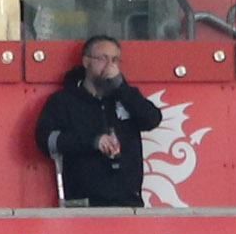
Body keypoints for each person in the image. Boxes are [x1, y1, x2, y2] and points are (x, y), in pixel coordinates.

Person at [34, 34, 160, 209]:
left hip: (128, 204)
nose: (110, 66)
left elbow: (152, 119)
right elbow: (45, 141)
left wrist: (121, 87)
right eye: (103, 59)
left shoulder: (127, 97)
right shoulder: (63, 101)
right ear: (86, 62)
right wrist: (93, 141)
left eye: (115, 60)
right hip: (82, 205)